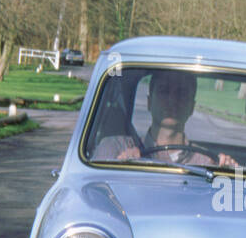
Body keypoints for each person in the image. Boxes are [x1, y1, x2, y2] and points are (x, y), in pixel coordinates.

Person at [93, 69, 236, 167]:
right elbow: (94, 193)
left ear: (192, 107)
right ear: (149, 102)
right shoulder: (114, 148)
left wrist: (228, 172)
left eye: (181, 93)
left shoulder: (207, 161)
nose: (172, 100)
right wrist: (118, 169)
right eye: (164, 91)